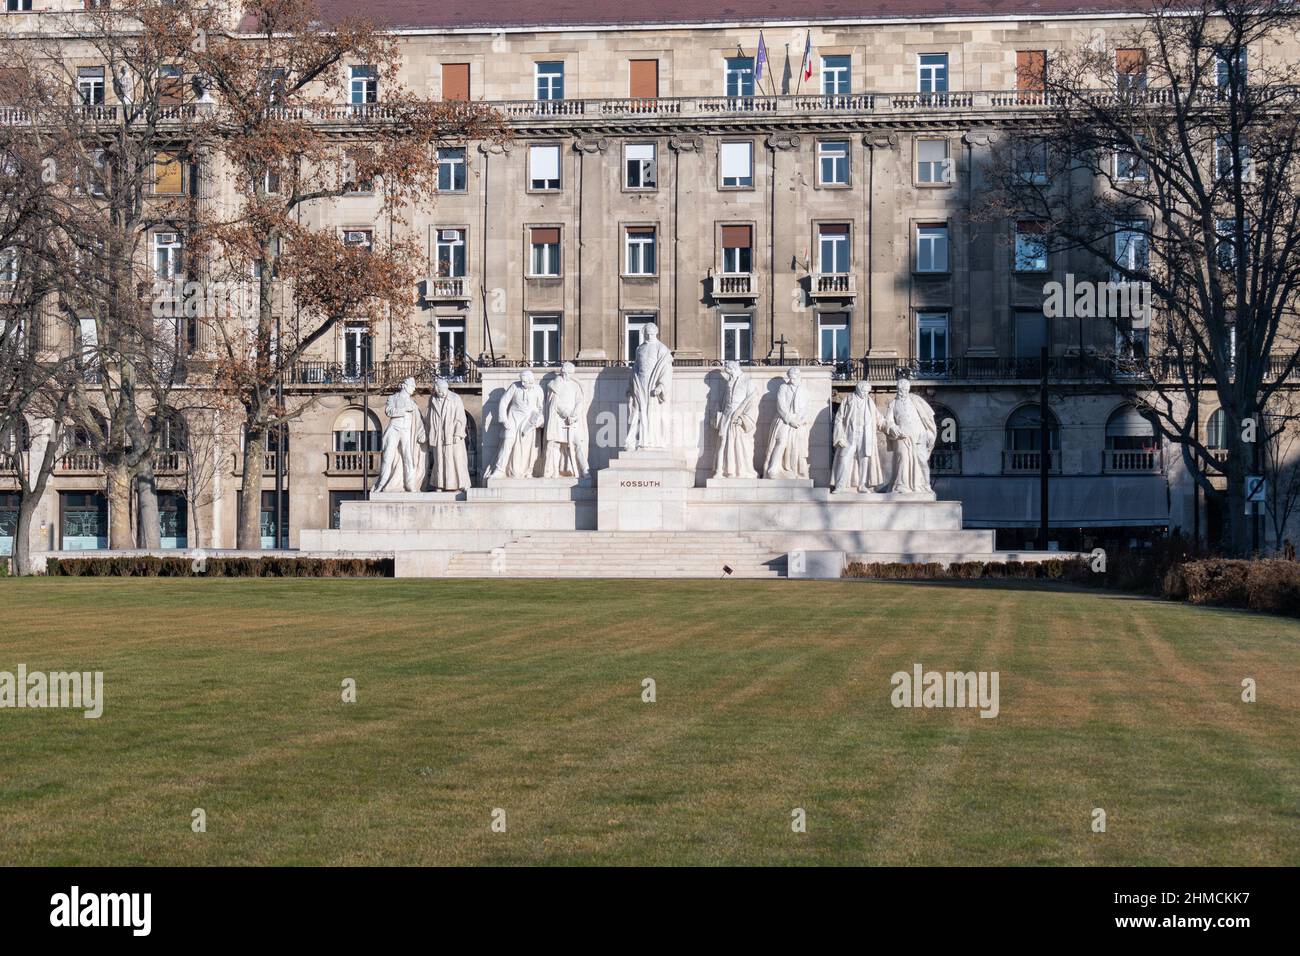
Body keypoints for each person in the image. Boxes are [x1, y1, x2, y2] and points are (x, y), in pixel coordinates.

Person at [483, 370, 544, 479]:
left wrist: (539, 420)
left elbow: (541, 408)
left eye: (525, 381)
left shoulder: (538, 390)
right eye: (522, 381)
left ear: (531, 381)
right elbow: (503, 401)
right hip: (513, 418)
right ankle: (499, 469)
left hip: (529, 421)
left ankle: (527, 471)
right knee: (507, 441)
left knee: (528, 447)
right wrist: (504, 419)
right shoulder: (515, 386)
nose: (523, 384)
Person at [373, 377, 427, 492]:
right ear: (405, 386)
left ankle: (410, 485)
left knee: (409, 458)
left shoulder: (413, 403)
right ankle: (381, 484)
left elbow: (418, 420)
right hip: (394, 428)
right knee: (388, 457)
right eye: (412, 386)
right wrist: (402, 410)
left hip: (406, 431)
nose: (413, 389)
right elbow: (388, 411)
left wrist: (422, 432)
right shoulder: (393, 398)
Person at [884, 378, 938, 494]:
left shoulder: (916, 400)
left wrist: (929, 431)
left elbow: (928, 416)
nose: (902, 391)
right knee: (903, 459)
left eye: (904, 389)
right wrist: (894, 428)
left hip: (919, 435)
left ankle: (925, 485)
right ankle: (902, 485)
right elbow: (888, 421)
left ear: (908, 389)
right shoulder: (893, 404)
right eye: (900, 389)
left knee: (922, 461)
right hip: (903, 437)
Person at [626, 322, 673, 451]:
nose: (649, 336)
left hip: (653, 386)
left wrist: (661, 386)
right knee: (638, 412)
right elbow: (635, 367)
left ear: (656, 333)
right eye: (647, 333)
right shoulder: (639, 348)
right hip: (640, 384)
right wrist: (630, 386)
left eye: (651, 334)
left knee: (652, 414)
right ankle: (640, 441)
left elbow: (665, 369)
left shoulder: (661, 348)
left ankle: (653, 441)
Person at [831, 380, 884, 493]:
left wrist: (892, 427)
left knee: (864, 459)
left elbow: (879, 419)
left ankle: (862, 484)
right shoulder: (848, 399)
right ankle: (839, 485)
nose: (866, 394)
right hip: (850, 433)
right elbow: (839, 418)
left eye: (867, 392)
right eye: (864, 391)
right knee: (844, 458)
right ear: (858, 389)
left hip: (865, 434)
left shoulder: (869, 402)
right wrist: (839, 436)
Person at [713, 360, 759, 479]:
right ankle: (721, 470)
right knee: (723, 442)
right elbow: (724, 402)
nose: (729, 375)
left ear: (734, 369)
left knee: (739, 444)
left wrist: (743, 419)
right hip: (727, 416)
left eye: (729, 372)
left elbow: (752, 402)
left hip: (739, 418)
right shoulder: (729, 382)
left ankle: (739, 471)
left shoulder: (748, 381)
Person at [543, 362, 589, 478]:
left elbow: (579, 401)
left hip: (573, 421)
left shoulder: (575, 385)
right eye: (567, 373)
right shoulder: (554, 384)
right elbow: (554, 402)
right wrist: (565, 413)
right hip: (559, 420)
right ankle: (554, 471)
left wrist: (574, 415)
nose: (569, 376)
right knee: (556, 444)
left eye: (570, 374)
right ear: (563, 372)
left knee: (578, 443)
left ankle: (585, 470)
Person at [763, 367, 811, 479]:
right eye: (789, 377)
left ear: (799, 377)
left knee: (796, 447)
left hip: (798, 422)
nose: (791, 380)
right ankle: (773, 469)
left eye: (793, 378)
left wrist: (800, 420)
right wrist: (790, 420)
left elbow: (807, 408)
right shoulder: (783, 388)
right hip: (783, 420)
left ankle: (794, 471)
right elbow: (781, 406)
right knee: (781, 442)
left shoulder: (804, 390)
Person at [426, 377, 472, 491]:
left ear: (446, 388)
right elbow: (429, 418)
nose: (440, 393)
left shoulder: (455, 398)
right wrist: (429, 433)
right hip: (439, 435)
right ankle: (440, 484)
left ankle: (460, 484)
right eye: (438, 391)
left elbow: (460, 417)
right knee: (440, 460)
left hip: (452, 434)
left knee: (456, 459)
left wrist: (458, 434)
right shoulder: (432, 399)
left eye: (442, 391)